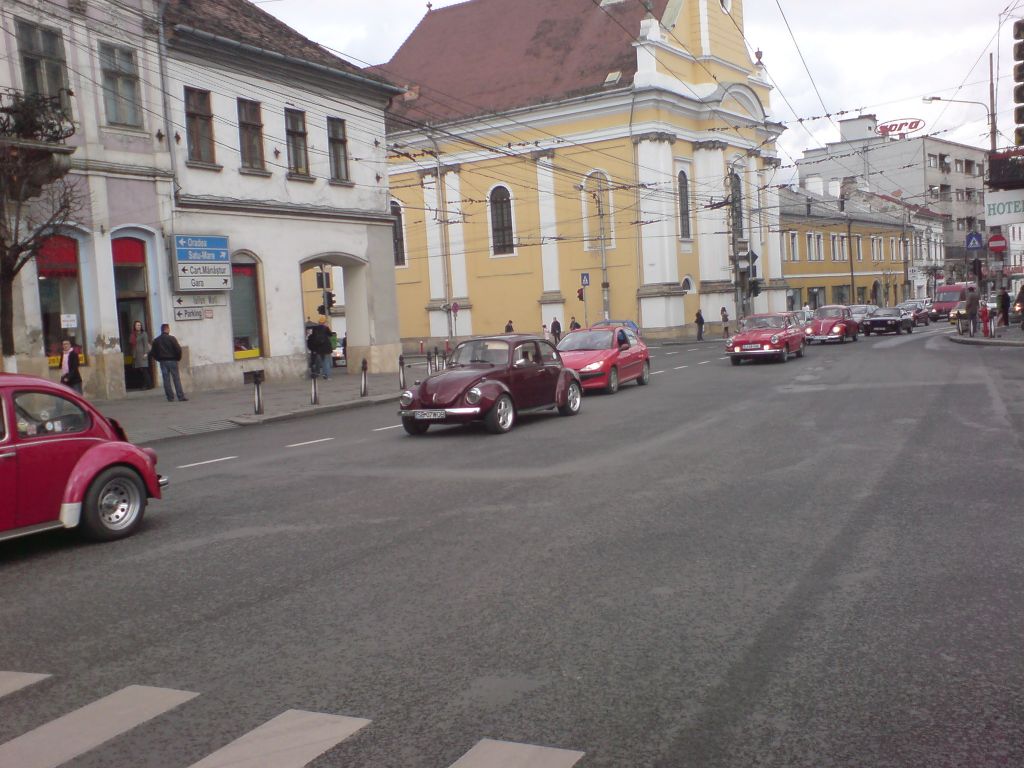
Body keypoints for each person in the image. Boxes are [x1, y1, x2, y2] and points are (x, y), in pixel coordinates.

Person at [150, 323, 187, 401]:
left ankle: (170, 397)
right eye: (169, 328)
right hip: (172, 360)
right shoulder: (172, 338)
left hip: (163, 361)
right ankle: (180, 396)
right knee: (176, 379)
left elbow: (153, 353)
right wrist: (178, 358)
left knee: (166, 380)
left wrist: (158, 359)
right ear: (167, 329)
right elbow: (178, 349)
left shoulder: (156, 340)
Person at [129, 320, 152, 389]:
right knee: (140, 370)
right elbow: (130, 342)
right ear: (134, 326)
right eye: (137, 325)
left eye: (139, 325)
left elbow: (145, 344)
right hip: (136, 355)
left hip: (142, 354)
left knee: (144, 370)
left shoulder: (143, 334)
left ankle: (148, 384)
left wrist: (146, 353)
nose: (138, 326)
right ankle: (143, 384)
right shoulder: (133, 334)